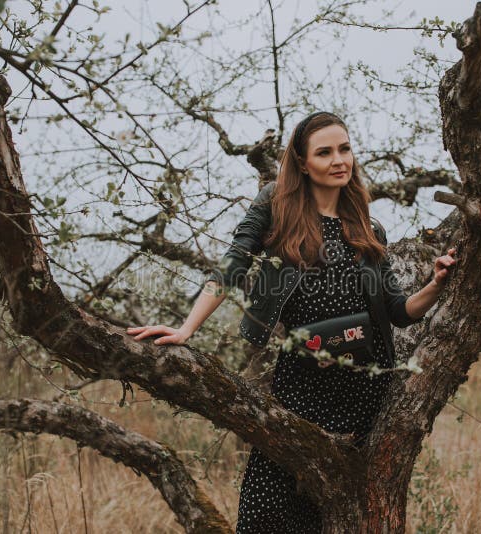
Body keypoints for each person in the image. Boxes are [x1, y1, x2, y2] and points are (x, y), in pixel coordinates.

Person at [127, 111, 456, 533]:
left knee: (340, 516)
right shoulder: (277, 207)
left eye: (344, 149)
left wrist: (436, 285)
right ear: (302, 162)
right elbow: (233, 263)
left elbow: (399, 311)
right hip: (301, 390)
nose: (339, 160)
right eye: (324, 152)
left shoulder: (368, 227)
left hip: (363, 394)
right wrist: (187, 329)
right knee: (268, 512)